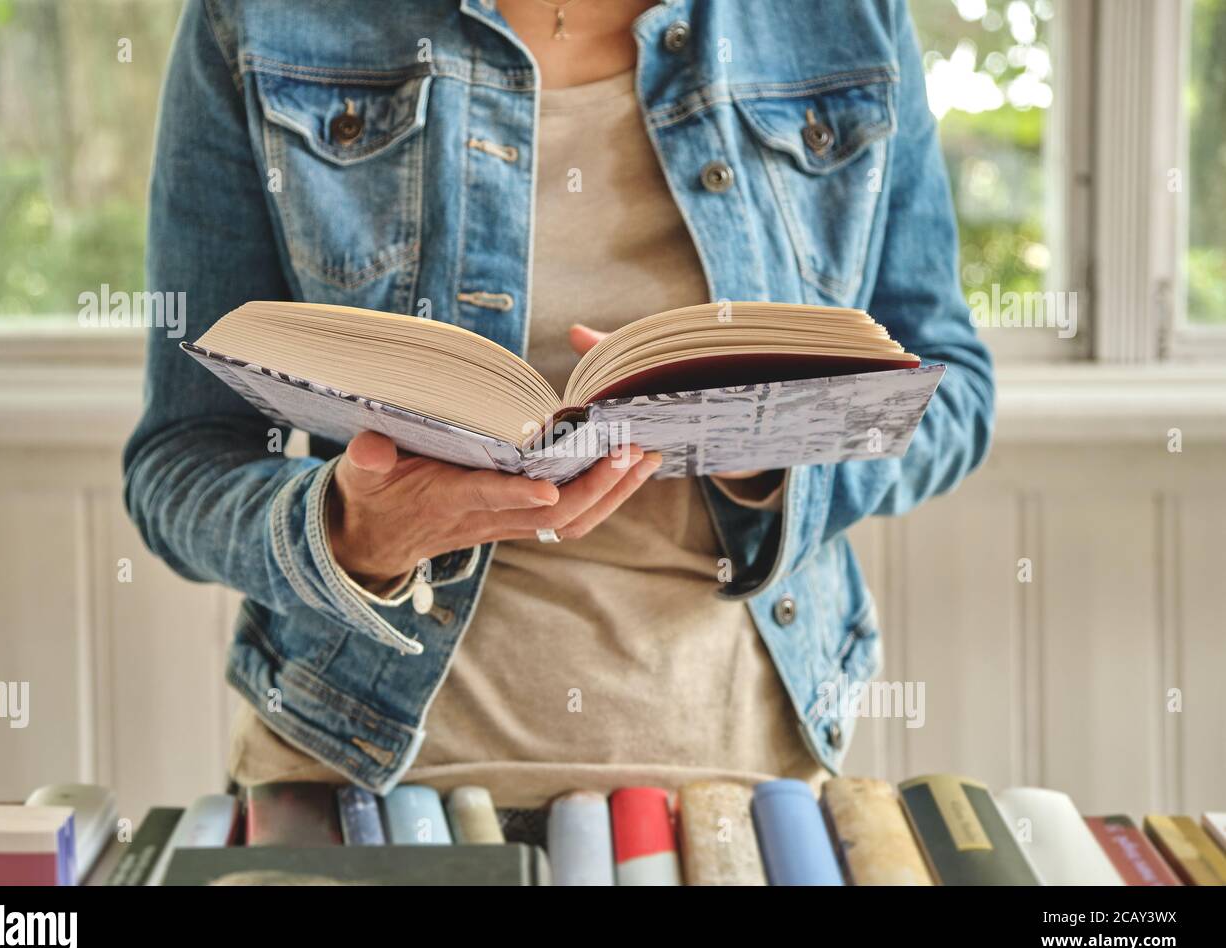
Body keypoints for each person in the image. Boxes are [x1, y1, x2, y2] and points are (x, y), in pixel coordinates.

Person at [124, 0, 994, 833]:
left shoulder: (844, 19)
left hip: (739, 787)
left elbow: (949, 389)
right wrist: (350, 533)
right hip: (357, 778)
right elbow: (179, 457)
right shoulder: (261, 19)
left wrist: (763, 449)